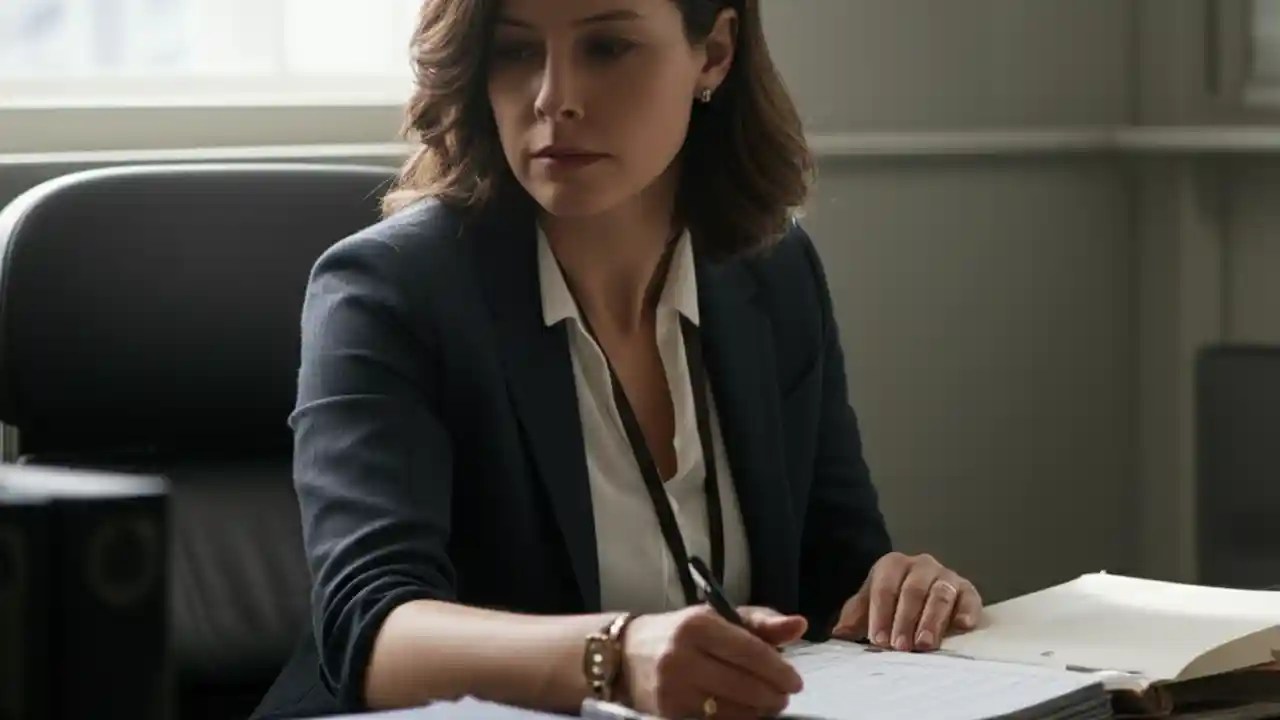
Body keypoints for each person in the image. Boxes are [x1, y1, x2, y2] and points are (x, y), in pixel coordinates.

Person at [253, 1, 983, 718]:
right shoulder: (388, 293)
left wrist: (901, 589)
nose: (553, 99)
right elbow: (370, 631)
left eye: (606, 48)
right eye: (515, 52)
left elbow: (835, 573)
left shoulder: (772, 271)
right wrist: (614, 657)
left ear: (715, 53)